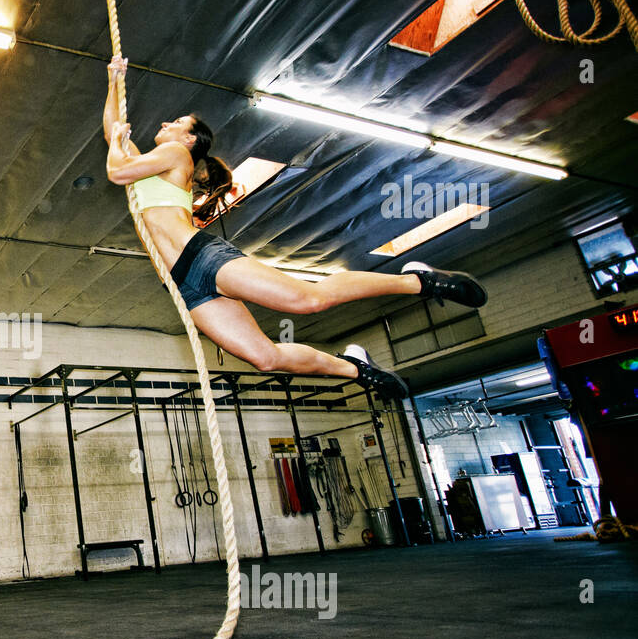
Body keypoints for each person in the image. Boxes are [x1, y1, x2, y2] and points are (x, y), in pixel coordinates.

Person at [101, 56, 487, 399]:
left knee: (308, 300)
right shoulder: (147, 169)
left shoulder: (175, 154)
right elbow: (112, 132)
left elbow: (116, 169)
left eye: (177, 122)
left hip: (201, 258)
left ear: (188, 139)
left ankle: (419, 281)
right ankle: (356, 368)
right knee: (266, 358)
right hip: (183, 281)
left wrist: (119, 142)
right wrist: (114, 80)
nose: (166, 123)